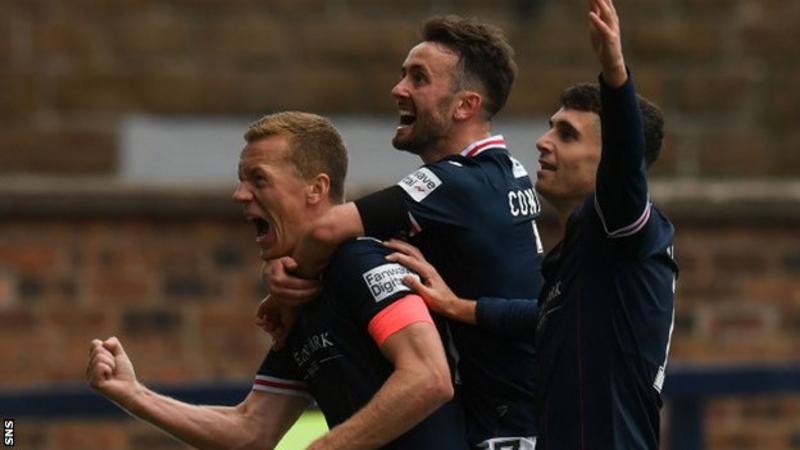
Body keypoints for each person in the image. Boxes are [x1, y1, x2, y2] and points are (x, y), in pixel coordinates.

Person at [385, 0, 678, 448]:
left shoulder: (630, 233)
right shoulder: (579, 253)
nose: (542, 143)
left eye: (567, 135)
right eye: (551, 127)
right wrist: (458, 305)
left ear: (612, 160)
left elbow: (624, 173)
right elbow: (540, 314)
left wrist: (615, 73)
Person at [86, 112, 468, 450]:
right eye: (241, 180)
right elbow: (250, 431)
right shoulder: (301, 303)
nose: (239, 195)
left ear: (316, 189)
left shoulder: (360, 261)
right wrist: (133, 395)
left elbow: (428, 377)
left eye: (258, 179)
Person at [261, 16, 543, 450]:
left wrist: (287, 292)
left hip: (510, 431)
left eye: (419, 78)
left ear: (464, 106)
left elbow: (327, 229)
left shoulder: (457, 182)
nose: (399, 89)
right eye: (403, 74)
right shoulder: (504, 171)